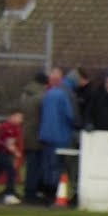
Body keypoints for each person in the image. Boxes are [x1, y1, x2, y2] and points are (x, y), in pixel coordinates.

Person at [37, 67, 78, 205]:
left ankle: (46, 192)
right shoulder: (64, 94)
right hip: (60, 135)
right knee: (58, 166)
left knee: (47, 165)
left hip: (45, 135)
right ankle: (56, 193)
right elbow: (70, 115)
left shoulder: (47, 94)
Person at [19, 70, 48, 203]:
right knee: (35, 165)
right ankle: (31, 192)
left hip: (26, 132)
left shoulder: (25, 94)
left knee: (31, 164)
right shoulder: (42, 97)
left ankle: (29, 190)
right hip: (37, 134)